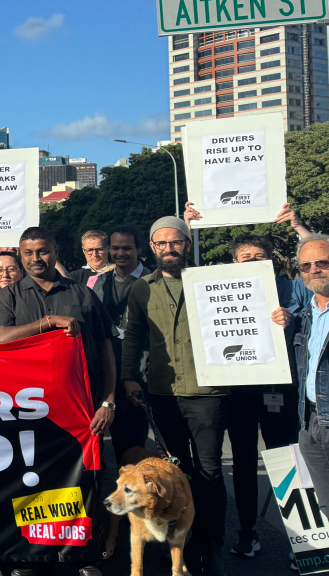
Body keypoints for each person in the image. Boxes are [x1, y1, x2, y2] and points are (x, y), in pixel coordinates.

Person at [121, 216, 290, 576]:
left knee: (210, 472)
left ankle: (209, 543)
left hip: (208, 392)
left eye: (177, 242)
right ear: (152, 248)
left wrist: (277, 319)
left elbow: (249, 314)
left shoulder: (214, 282)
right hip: (162, 391)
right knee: (176, 471)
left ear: (188, 244)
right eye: (161, 243)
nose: (169, 249)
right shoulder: (140, 290)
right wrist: (128, 377)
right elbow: (133, 335)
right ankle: (180, 535)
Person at [0, 226, 116, 576]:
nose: (36, 259)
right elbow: (2, 337)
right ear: (19, 254)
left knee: (84, 481)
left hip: (82, 411)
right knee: (31, 480)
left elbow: (107, 347)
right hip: (29, 409)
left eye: (43, 251)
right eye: (28, 253)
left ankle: (83, 556)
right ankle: (32, 556)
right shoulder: (10, 295)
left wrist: (108, 401)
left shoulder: (82, 293)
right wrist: (47, 323)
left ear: (56, 250)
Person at [224, 233, 301, 557]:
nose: (254, 262)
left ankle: (303, 544)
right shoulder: (222, 290)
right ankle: (246, 533)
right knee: (242, 463)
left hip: (279, 390)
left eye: (260, 256)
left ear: (270, 259)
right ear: (234, 263)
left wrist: (292, 320)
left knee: (287, 464)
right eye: (247, 257)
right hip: (240, 390)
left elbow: (311, 320)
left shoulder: (289, 289)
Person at [90, 226, 150, 465]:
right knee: (104, 447)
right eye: (115, 248)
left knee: (133, 447)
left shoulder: (151, 280)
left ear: (139, 249)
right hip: (108, 375)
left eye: (127, 248)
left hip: (142, 375)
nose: (120, 253)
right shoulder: (100, 283)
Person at [295, 234, 329, 523]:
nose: (314, 269)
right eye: (306, 266)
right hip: (309, 421)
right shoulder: (305, 315)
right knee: (327, 503)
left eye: (322, 262)